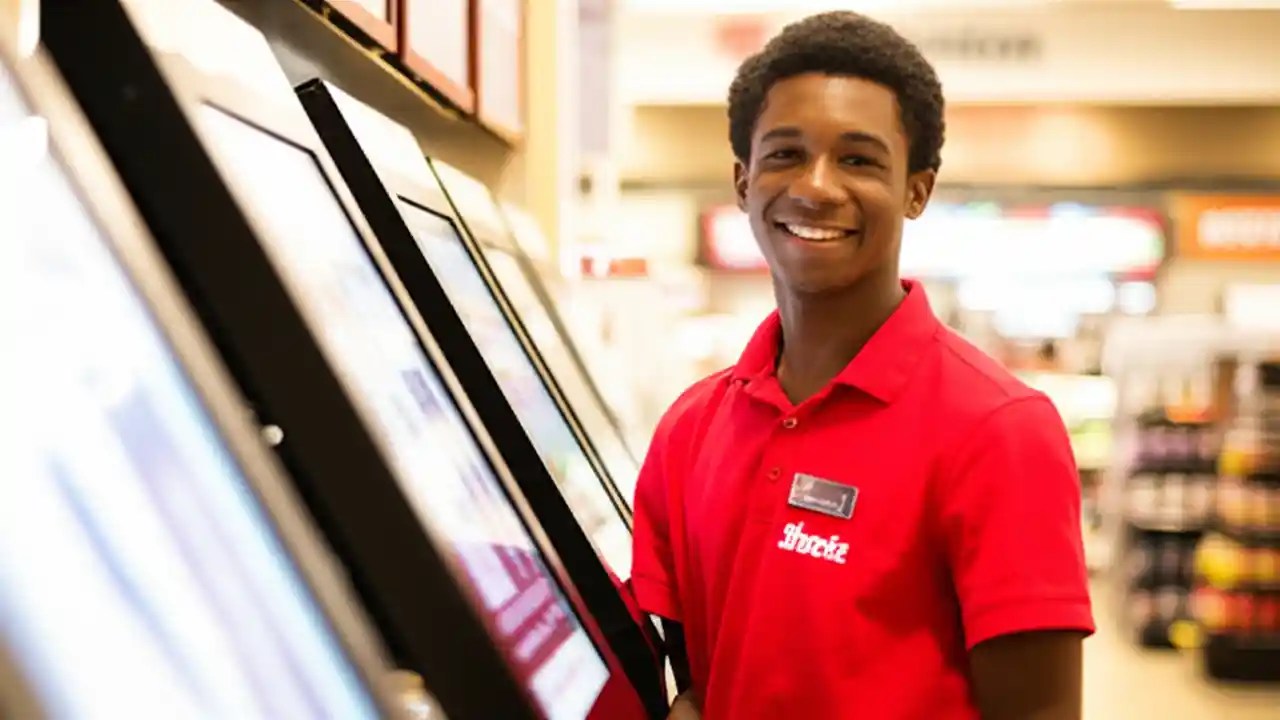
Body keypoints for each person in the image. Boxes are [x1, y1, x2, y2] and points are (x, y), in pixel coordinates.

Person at [630, 11, 1094, 720]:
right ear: (742, 180)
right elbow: (700, 683)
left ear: (917, 190)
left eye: (858, 159)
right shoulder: (689, 431)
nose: (816, 186)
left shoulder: (1000, 432)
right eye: (785, 154)